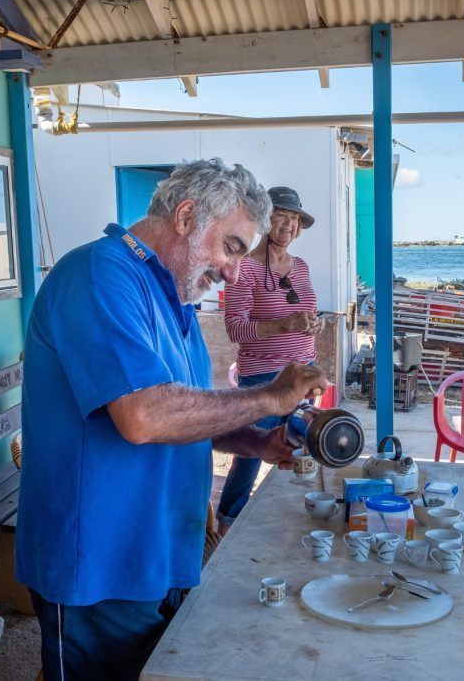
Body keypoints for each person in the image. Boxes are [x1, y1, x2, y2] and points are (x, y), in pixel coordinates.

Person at [17, 159, 327, 681]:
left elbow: (186, 410)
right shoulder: (100, 274)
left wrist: (255, 440)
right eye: (230, 248)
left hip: (159, 553)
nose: (233, 273)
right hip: (98, 563)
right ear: (185, 216)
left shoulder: (174, 297)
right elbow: (145, 415)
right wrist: (269, 397)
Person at [216, 186, 326, 535]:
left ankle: (294, 516)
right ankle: (226, 523)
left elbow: (306, 310)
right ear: (266, 220)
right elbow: (236, 329)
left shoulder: (302, 266)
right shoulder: (244, 268)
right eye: (282, 216)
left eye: (294, 219)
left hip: (301, 375)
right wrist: (285, 323)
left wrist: (314, 322)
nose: (289, 225)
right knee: (250, 454)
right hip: (262, 376)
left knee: (301, 448)